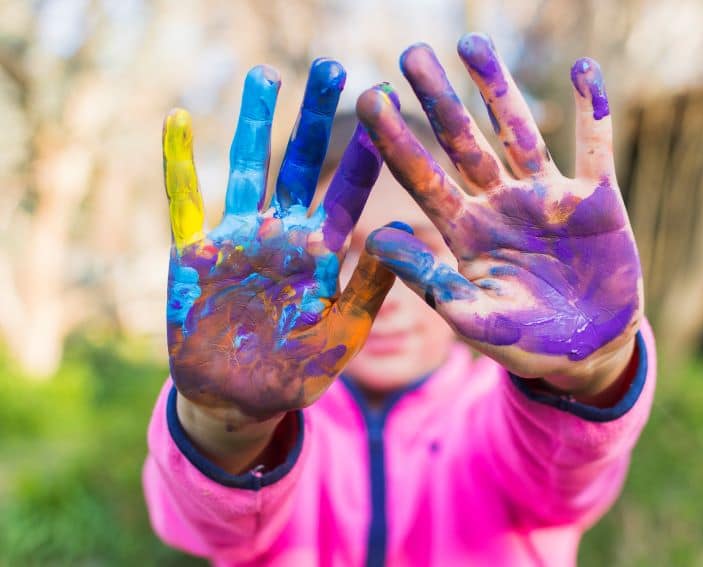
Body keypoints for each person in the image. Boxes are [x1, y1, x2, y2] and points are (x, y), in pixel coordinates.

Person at [144, 33, 655, 566]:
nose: (384, 299)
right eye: (341, 254)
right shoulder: (284, 422)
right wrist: (228, 425)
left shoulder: (498, 416)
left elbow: (567, 476)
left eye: (416, 246)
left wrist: (590, 373)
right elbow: (205, 528)